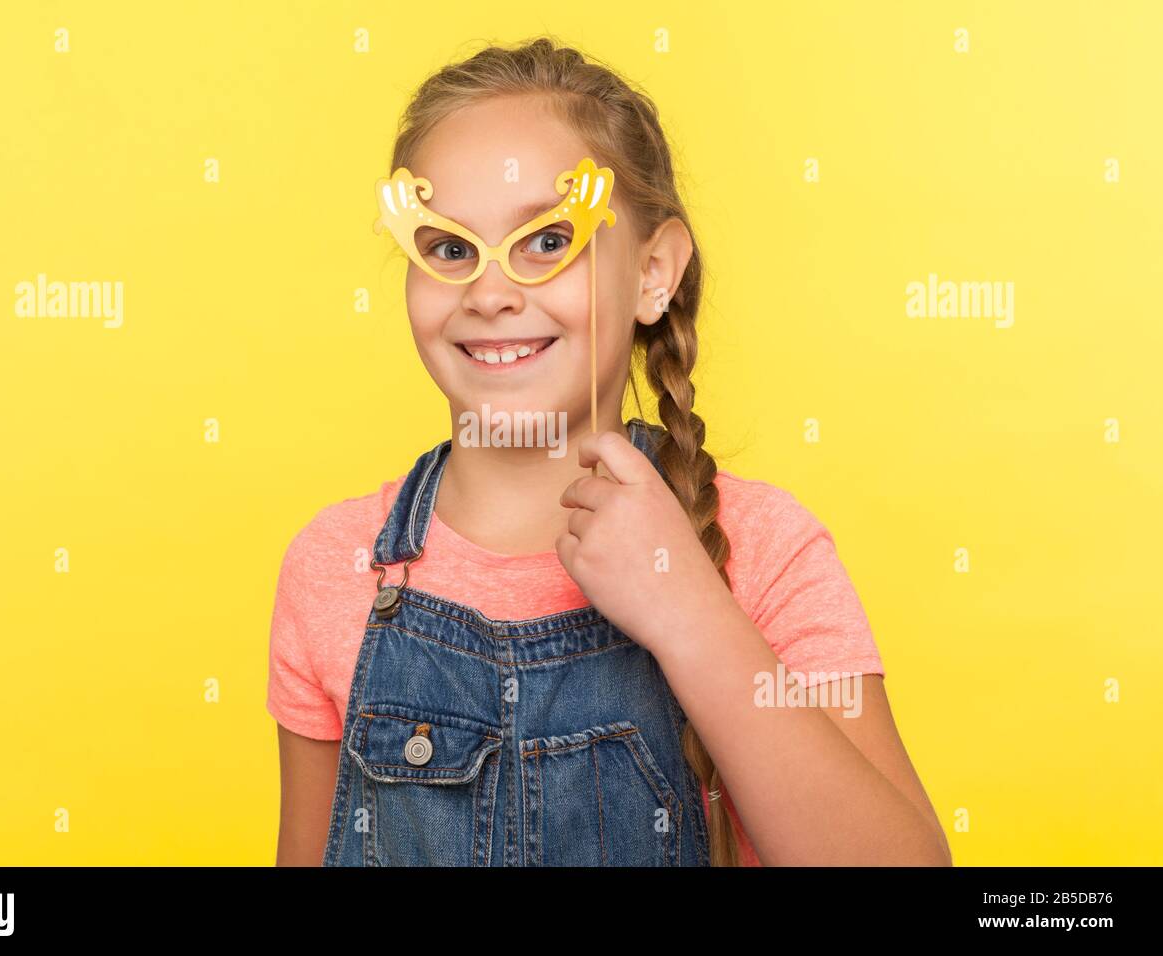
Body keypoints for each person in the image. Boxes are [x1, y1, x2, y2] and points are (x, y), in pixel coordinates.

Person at [269, 36, 950, 867]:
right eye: (449, 249)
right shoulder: (332, 569)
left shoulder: (764, 548)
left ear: (653, 273)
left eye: (550, 242)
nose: (489, 293)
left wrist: (691, 615)